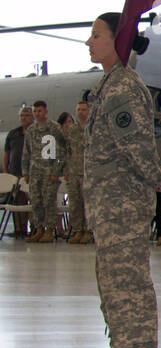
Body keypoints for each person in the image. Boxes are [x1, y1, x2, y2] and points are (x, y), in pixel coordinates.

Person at [79, 11, 161, 348]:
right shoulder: (108, 85)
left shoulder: (123, 89)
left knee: (129, 287)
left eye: (96, 35)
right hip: (108, 207)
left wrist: (147, 189)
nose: (89, 42)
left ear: (117, 40)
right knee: (111, 287)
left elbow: (141, 152)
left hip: (123, 206)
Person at [23, 100, 67, 243]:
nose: (37, 114)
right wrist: (26, 172)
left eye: (40, 111)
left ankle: (49, 230)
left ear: (46, 112)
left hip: (49, 172)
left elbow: (62, 150)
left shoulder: (54, 128)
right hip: (35, 172)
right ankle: (39, 228)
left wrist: (57, 171)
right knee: (36, 201)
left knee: (49, 202)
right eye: (35, 111)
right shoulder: (31, 130)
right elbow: (26, 152)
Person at [62, 102, 92, 244]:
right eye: (78, 109)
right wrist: (66, 170)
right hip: (73, 172)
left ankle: (88, 231)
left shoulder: (93, 128)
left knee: (88, 203)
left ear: (89, 111)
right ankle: (78, 230)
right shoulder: (72, 130)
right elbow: (67, 151)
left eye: (83, 109)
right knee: (75, 203)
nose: (81, 112)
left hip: (88, 172)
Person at [3, 107, 33, 238]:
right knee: (17, 201)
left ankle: (34, 229)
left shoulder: (34, 133)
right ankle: (19, 230)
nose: (24, 118)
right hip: (15, 173)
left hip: (31, 174)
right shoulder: (13, 134)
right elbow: (6, 153)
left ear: (32, 118)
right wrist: (6, 170)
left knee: (31, 202)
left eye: (27, 115)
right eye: (22, 115)